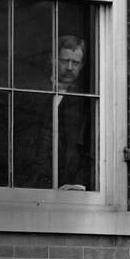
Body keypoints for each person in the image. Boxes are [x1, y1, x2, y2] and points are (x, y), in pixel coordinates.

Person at [55, 34, 95, 190]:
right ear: (54, 58)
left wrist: (77, 182)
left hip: (69, 184)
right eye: (65, 61)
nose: (70, 68)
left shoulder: (88, 100)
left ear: (82, 64)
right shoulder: (35, 91)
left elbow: (86, 149)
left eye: (75, 63)